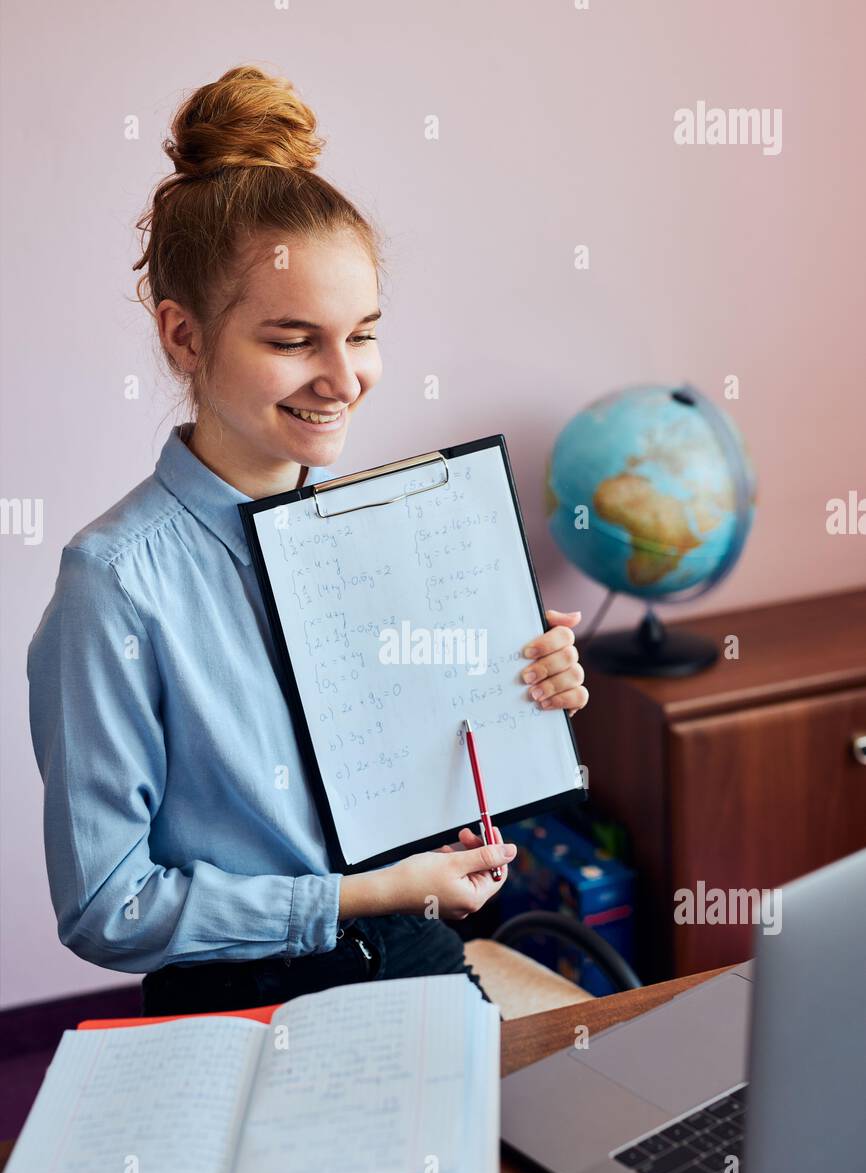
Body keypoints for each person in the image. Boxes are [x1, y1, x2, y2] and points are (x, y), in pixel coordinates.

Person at [27, 65, 588, 1018]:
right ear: (183, 336)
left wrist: (516, 703)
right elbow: (106, 906)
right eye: (294, 340)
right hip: (235, 1003)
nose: (344, 379)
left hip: (411, 954)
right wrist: (363, 894)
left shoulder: (394, 530)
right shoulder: (114, 584)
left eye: (363, 335)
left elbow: (403, 803)